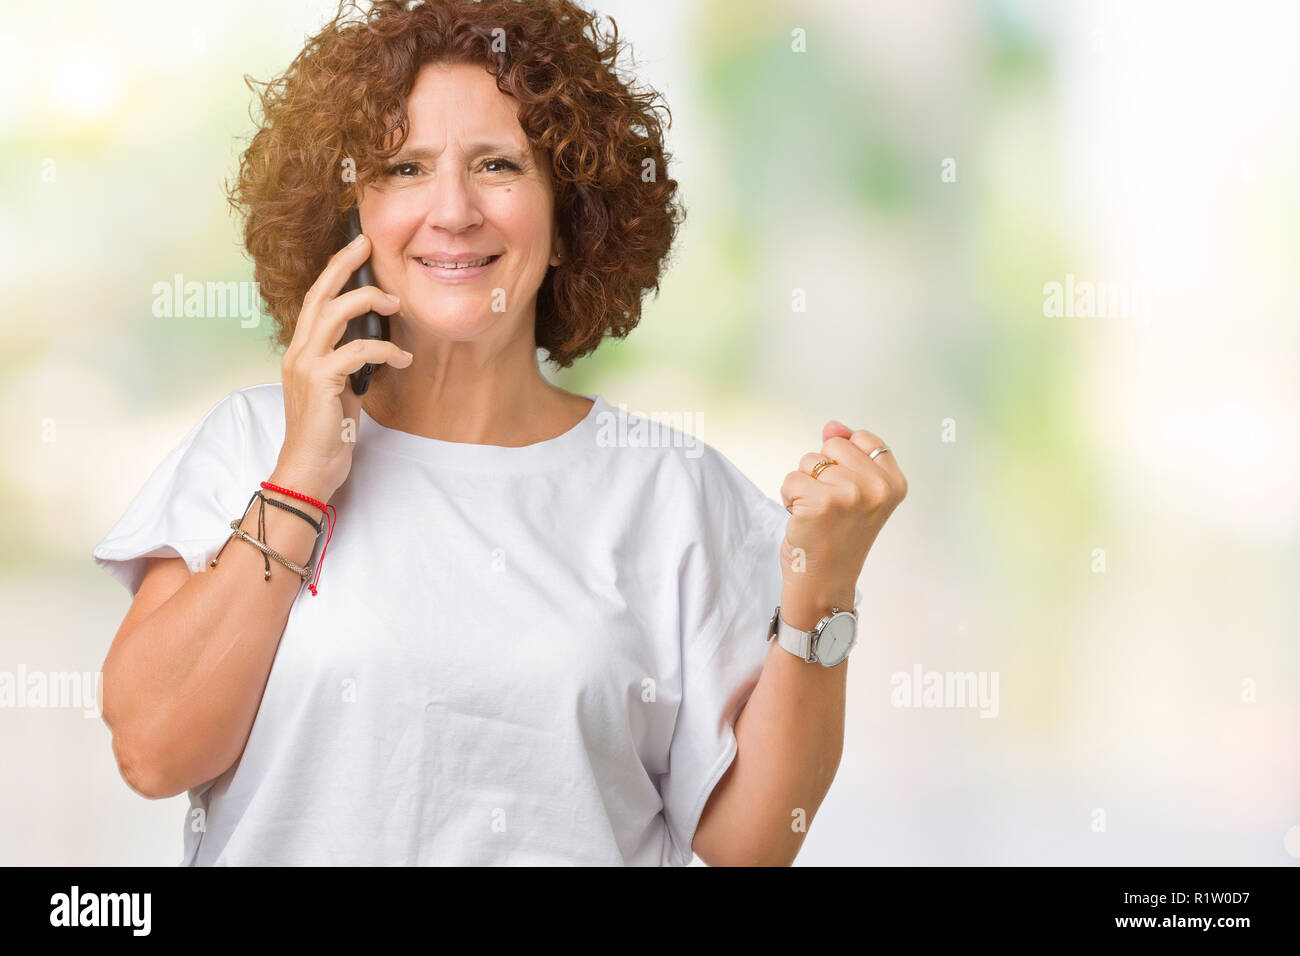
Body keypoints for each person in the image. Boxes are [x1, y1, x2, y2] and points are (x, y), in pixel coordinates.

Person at [91, 0, 906, 866]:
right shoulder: (248, 446)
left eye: (498, 165)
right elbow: (153, 752)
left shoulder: (670, 490)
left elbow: (751, 842)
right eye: (405, 169)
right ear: (352, 212)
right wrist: (299, 480)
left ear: (568, 216)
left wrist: (826, 588)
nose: (452, 210)